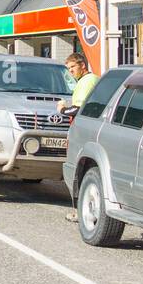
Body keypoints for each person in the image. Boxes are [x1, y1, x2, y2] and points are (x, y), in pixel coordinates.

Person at [61, 52, 98, 222]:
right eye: (69, 69)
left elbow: (78, 109)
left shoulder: (86, 81)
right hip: (85, 131)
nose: (71, 71)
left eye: (73, 67)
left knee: (77, 169)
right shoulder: (88, 80)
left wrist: (62, 110)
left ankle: (79, 211)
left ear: (83, 65)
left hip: (83, 133)